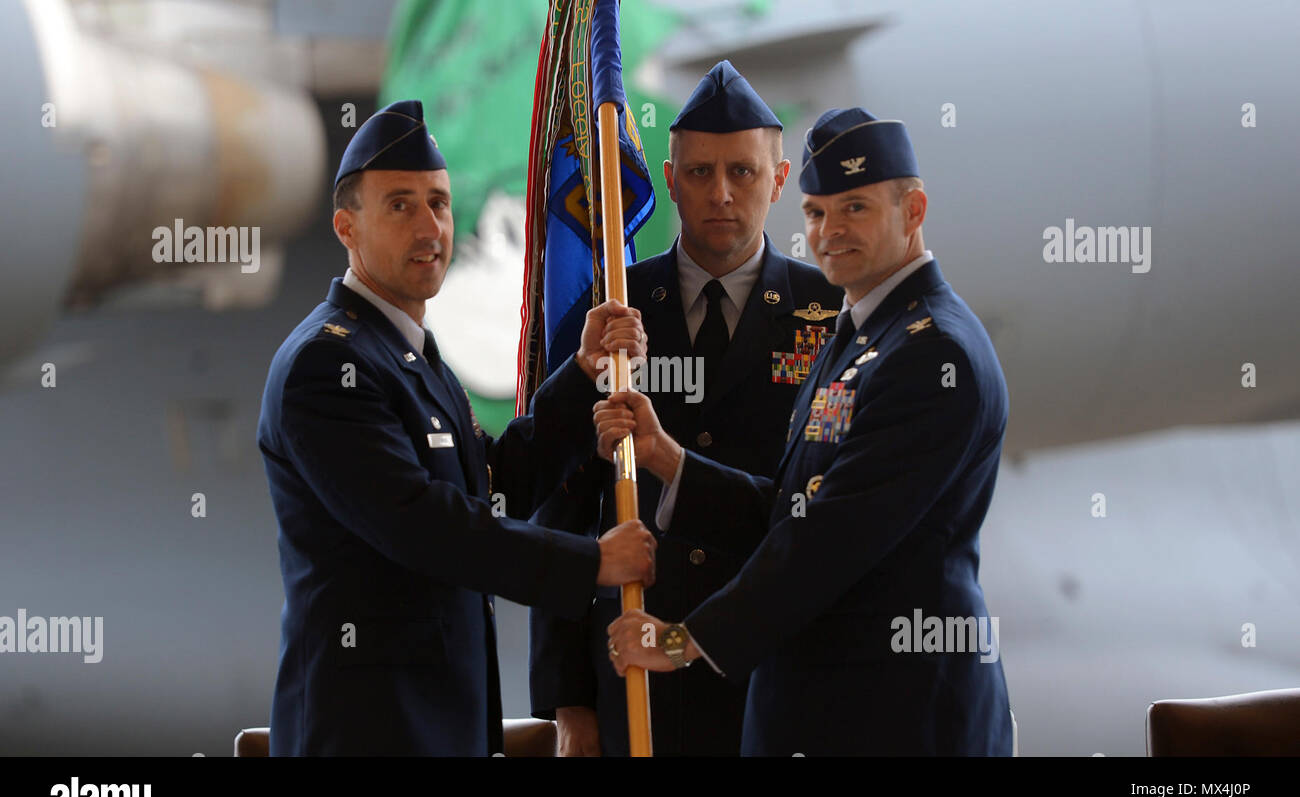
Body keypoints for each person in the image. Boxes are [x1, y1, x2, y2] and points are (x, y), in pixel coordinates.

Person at [598, 107, 1013, 755]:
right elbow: (796, 508)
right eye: (816, 213)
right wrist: (668, 459)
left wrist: (682, 641)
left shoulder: (934, 352)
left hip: (901, 715)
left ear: (915, 210)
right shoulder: (864, 332)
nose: (829, 232)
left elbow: (833, 538)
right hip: (832, 710)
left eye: (855, 209)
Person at [256, 100, 656, 756]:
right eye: (400, 205)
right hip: (367, 730)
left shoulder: (410, 352)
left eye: (439, 204)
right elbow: (425, 526)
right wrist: (592, 564)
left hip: (440, 723)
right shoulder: (326, 364)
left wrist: (583, 375)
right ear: (346, 226)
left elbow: (492, 486)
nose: (430, 227)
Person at [528, 61, 840, 756]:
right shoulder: (612, 309)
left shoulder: (828, 317)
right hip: (638, 680)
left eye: (743, 172)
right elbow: (566, 509)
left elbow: (824, 519)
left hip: (775, 677)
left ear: (781, 181)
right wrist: (567, 699)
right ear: (668, 180)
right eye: (698, 173)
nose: (721, 193)